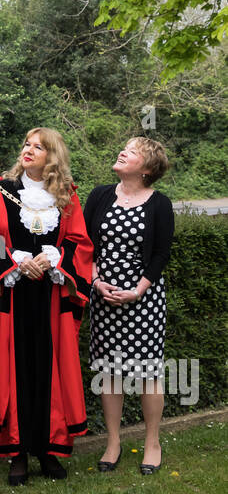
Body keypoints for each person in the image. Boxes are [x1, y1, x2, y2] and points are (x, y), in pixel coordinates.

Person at [0, 128, 93, 485]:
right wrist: (15, 261)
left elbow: (80, 242)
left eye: (38, 147)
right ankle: (17, 453)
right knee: (16, 370)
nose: (29, 150)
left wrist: (56, 259)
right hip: (14, 295)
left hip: (52, 297)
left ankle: (50, 450)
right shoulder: (1, 191)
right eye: (26, 144)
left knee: (52, 369)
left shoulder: (67, 195)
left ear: (52, 155)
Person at [84, 137, 174, 475]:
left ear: (147, 169)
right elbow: (84, 243)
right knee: (110, 372)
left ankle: (152, 443)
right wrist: (94, 280)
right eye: (124, 148)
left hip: (144, 299)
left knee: (148, 372)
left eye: (132, 152)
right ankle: (113, 442)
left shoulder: (159, 204)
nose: (123, 152)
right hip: (103, 296)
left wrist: (138, 290)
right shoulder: (100, 195)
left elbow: (160, 254)